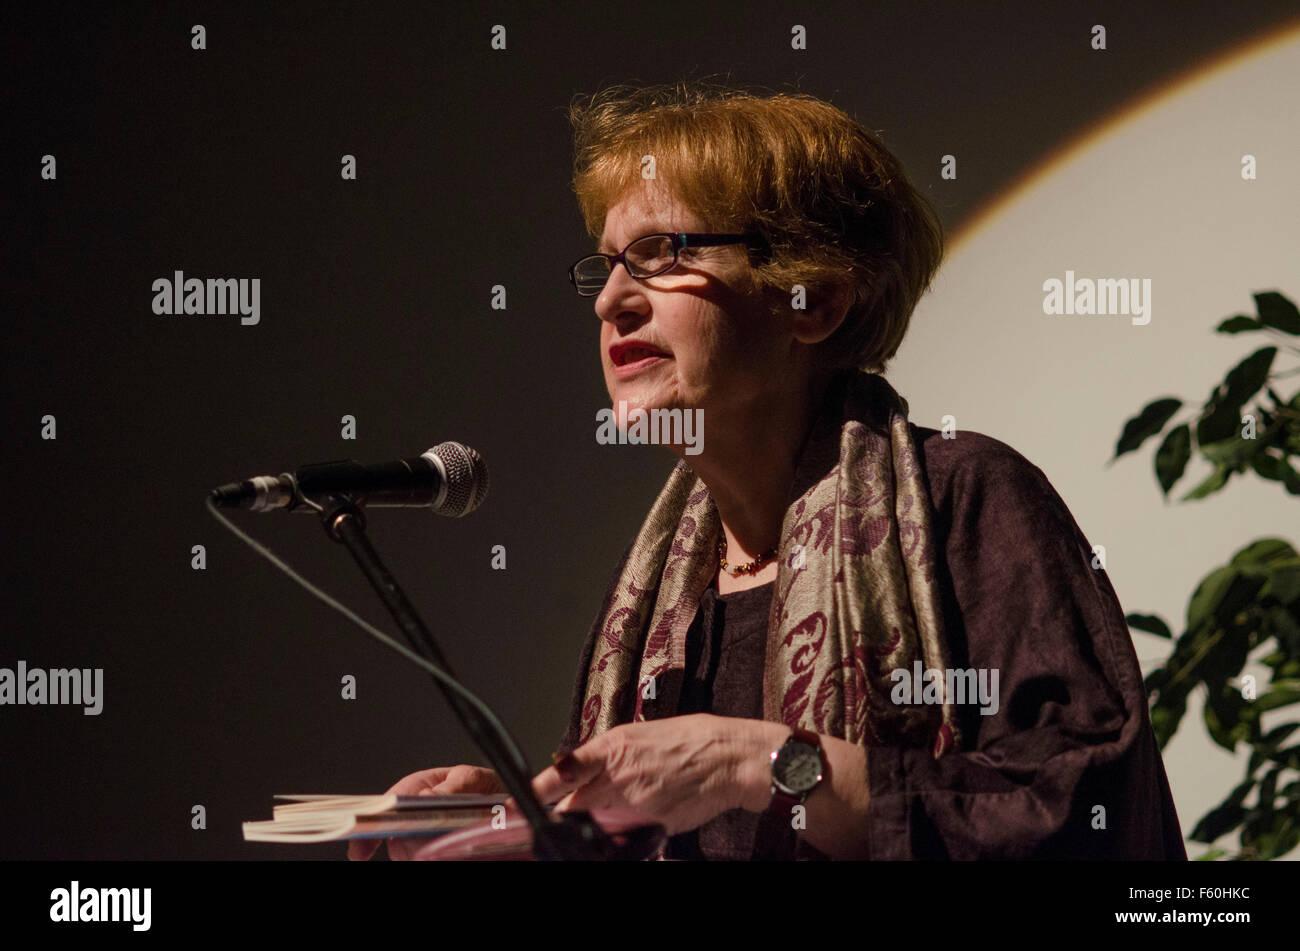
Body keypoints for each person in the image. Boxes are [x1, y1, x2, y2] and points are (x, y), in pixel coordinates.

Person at [349, 82, 1186, 861]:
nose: (611, 300)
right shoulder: (656, 595)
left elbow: (1088, 812)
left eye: (660, 252)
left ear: (812, 299)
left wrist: (767, 763)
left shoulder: (967, 500)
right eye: (605, 263)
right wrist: (535, 817)